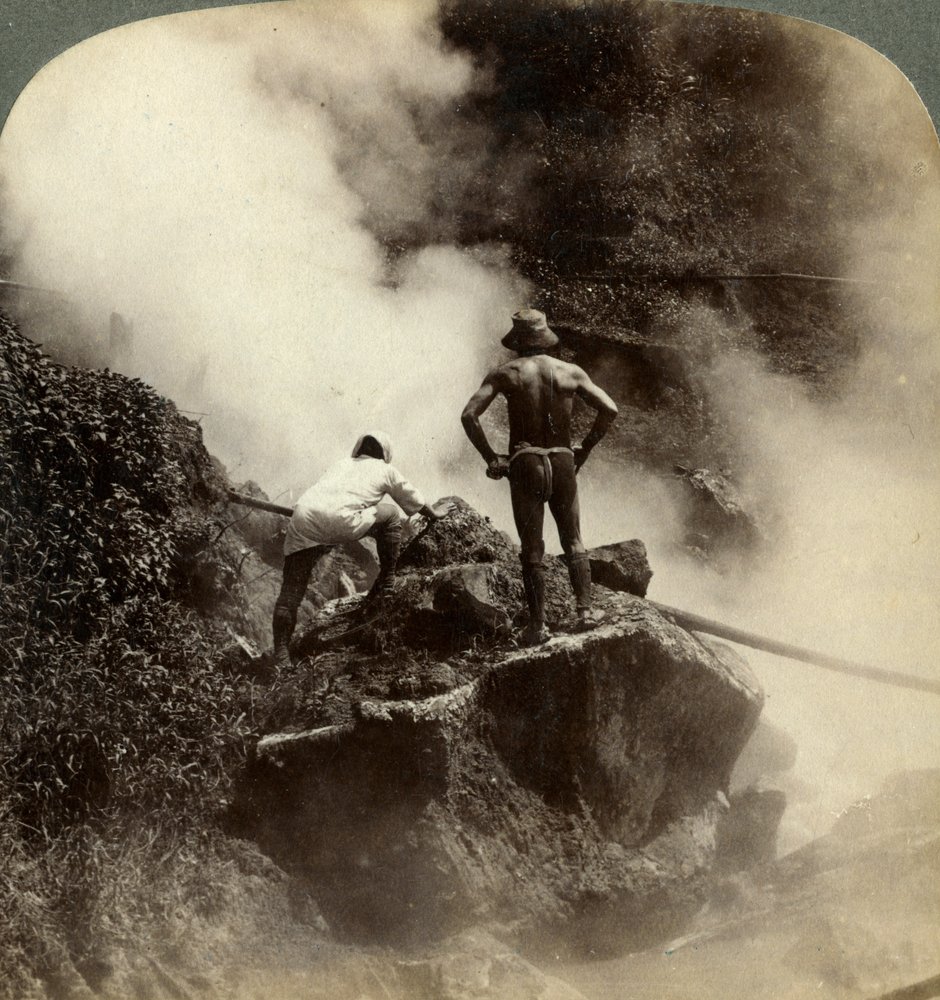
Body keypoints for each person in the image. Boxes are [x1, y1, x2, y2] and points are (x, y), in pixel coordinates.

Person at [461, 309, 618, 644]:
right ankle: (585, 612)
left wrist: (492, 459)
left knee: (532, 548)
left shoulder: (507, 373)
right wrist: (586, 448)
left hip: (526, 462)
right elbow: (610, 409)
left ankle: (538, 626)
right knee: (573, 539)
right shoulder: (570, 372)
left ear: (517, 341)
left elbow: (469, 415)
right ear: (545, 337)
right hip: (562, 460)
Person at [272, 431, 453, 668]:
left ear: (359, 449)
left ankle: (281, 657)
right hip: (342, 521)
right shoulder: (384, 469)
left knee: (290, 596)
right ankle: (387, 579)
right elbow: (412, 498)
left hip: (303, 518)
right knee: (390, 515)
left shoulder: (340, 464)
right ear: (384, 454)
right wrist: (436, 513)